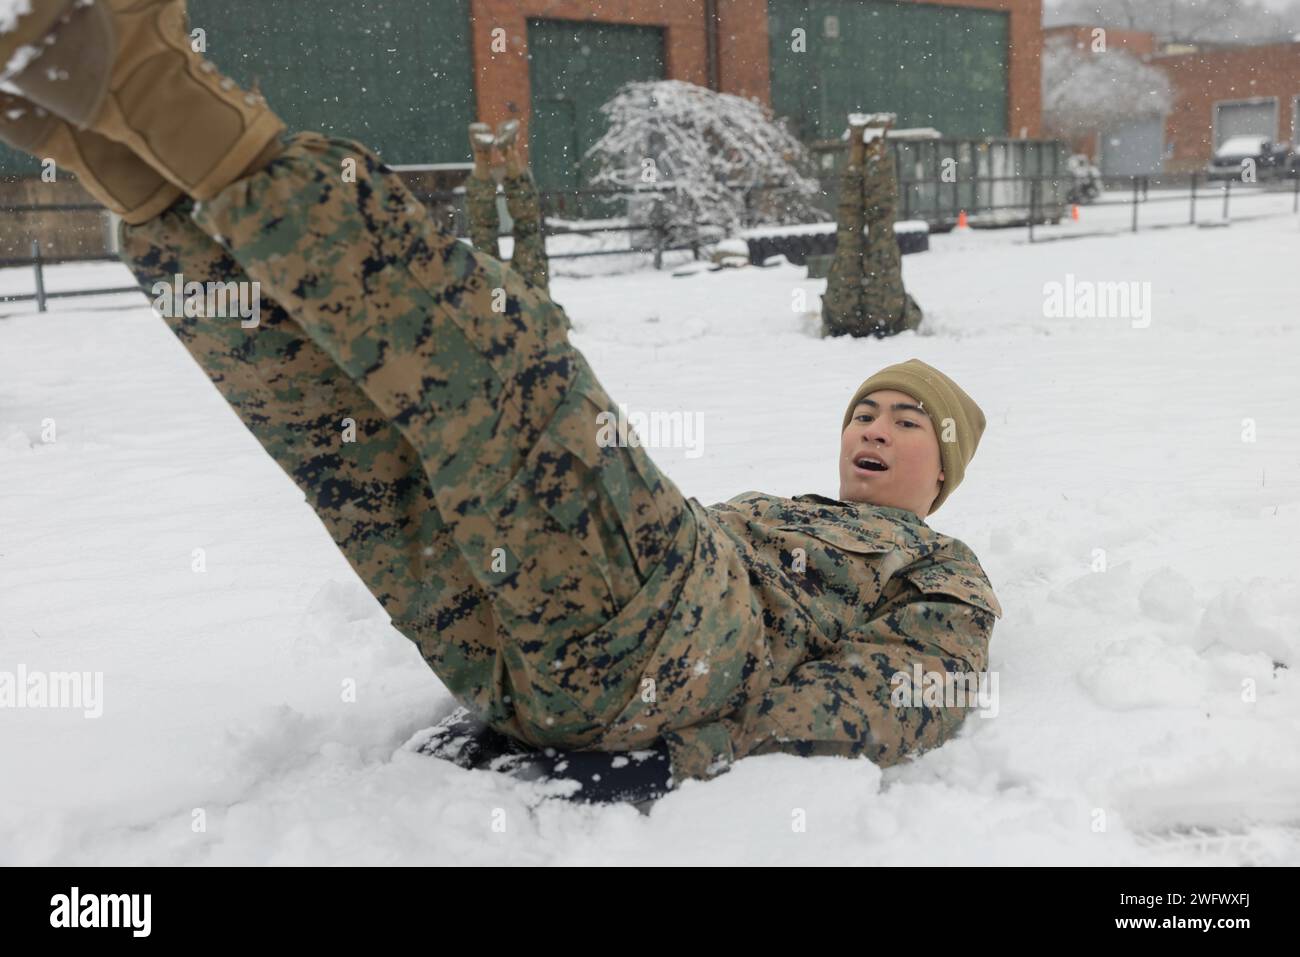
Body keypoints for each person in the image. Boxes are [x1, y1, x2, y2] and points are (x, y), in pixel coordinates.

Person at [0, 0, 1001, 804]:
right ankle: (125, 164)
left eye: (907, 423)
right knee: (348, 430)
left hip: (664, 649)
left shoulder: (941, 564)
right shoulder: (788, 511)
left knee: (507, 370)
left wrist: (702, 753)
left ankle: (159, 93)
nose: (874, 428)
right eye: (865, 414)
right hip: (520, 668)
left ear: (944, 471)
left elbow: (909, 693)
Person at [822, 113, 924, 338]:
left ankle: (867, 148)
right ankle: (864, 149)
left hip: (850, 317)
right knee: (856, 228)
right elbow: (912, 318)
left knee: (878, 226)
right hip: (877, 314)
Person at [464, 118, 551, 296]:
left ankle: (485, 153)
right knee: (527, 233)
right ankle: (506, 150)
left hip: (504, 311)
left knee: (486, 240)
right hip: (529, 309)